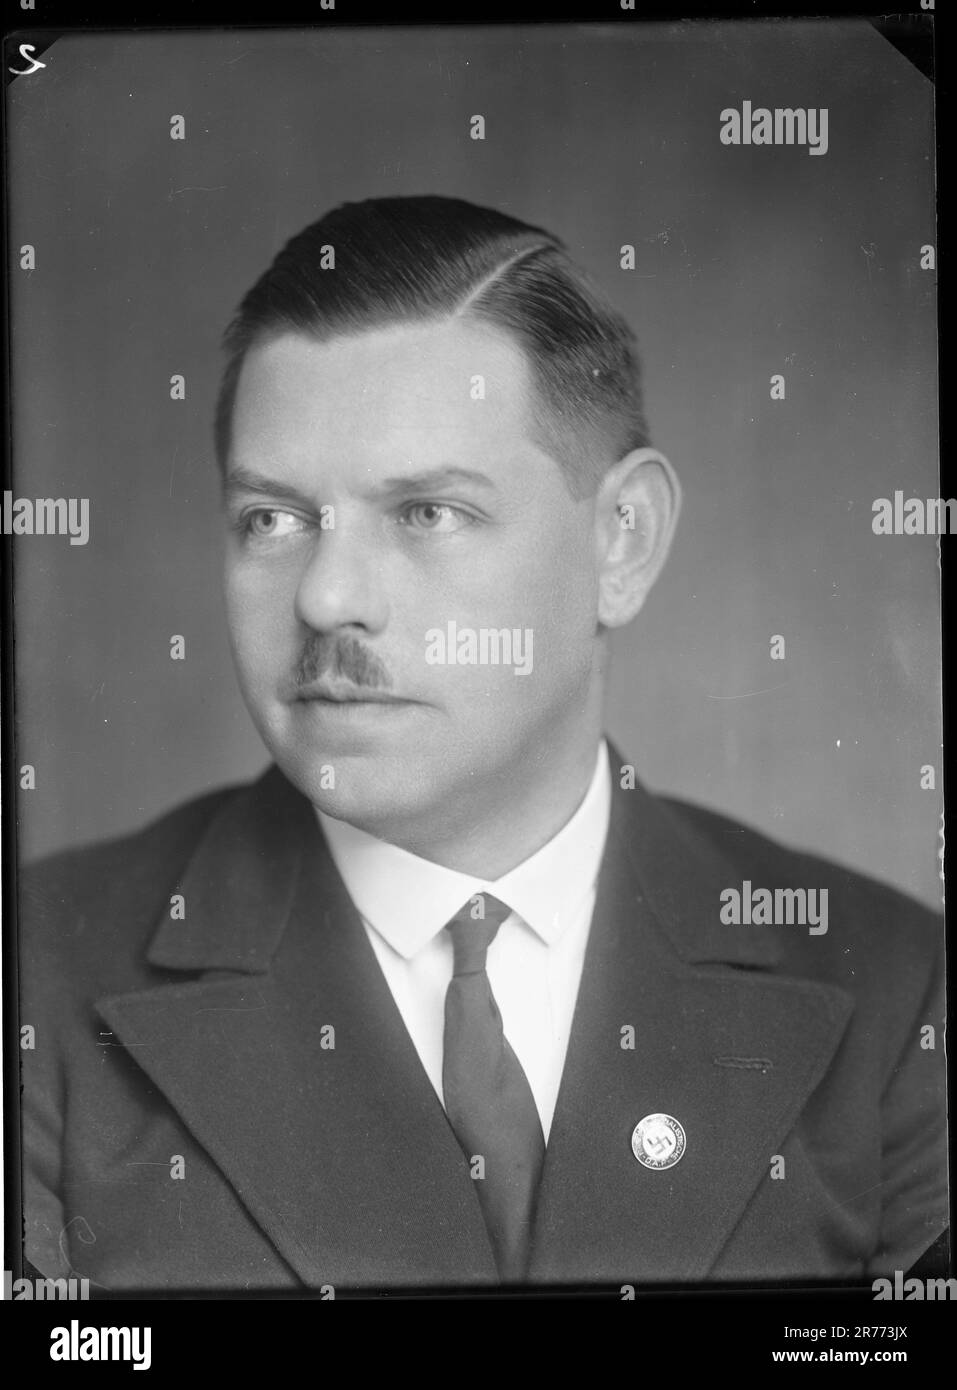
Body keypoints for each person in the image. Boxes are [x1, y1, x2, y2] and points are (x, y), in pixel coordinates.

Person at [20, 196, 947, 1291]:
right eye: (271, 519)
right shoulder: (31, 980)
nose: (325, 597)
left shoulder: (898, 989)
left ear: (622, 541)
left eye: (425, 513)